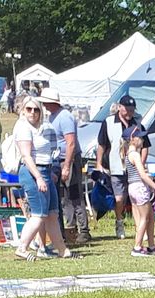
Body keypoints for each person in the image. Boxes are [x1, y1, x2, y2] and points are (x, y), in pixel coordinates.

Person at [10, 94, 70, 259]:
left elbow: (51, 151)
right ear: (23, 110)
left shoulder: (44, 127)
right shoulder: (23, 128)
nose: (32, 112)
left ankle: (62, 250)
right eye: (29, 109)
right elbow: (26, 156)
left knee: (52, 213)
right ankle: (22, 247)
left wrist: (50, 173)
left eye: (36, 109)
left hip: (46, 170)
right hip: (32, 172)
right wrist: (38, 177)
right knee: (38, 214)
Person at [41, 87, 88, 246]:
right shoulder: (52, 117)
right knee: (62, 198)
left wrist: (67, 165)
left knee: (74, 195)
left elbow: (71, 143)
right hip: (56, 160)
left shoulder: (65, 117)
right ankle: (67, 230)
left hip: (68, 159)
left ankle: (83, 230)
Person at [95, 94, 137, 240]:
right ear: (119, 107)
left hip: (133, 168)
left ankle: (139, 226)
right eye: (127, 109)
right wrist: (99, 163)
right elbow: (102, 144)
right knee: (119, 198)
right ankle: (119, 222)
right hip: (115, 167)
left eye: (132, 110)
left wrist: (141, 162)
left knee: (134, 197)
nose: (129, 112)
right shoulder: (108, 122)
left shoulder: (137, 124)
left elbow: (145, 145)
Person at [125, 123, 155, 256]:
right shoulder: (135, 154)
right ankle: (137, 246)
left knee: (150, 217)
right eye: (140, 138)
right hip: (139, 187)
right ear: (133, 139)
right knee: (144, 218)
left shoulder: (128, 154)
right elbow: (142, 175)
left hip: (132, 187)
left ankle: (151, 245)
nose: (142, 140)